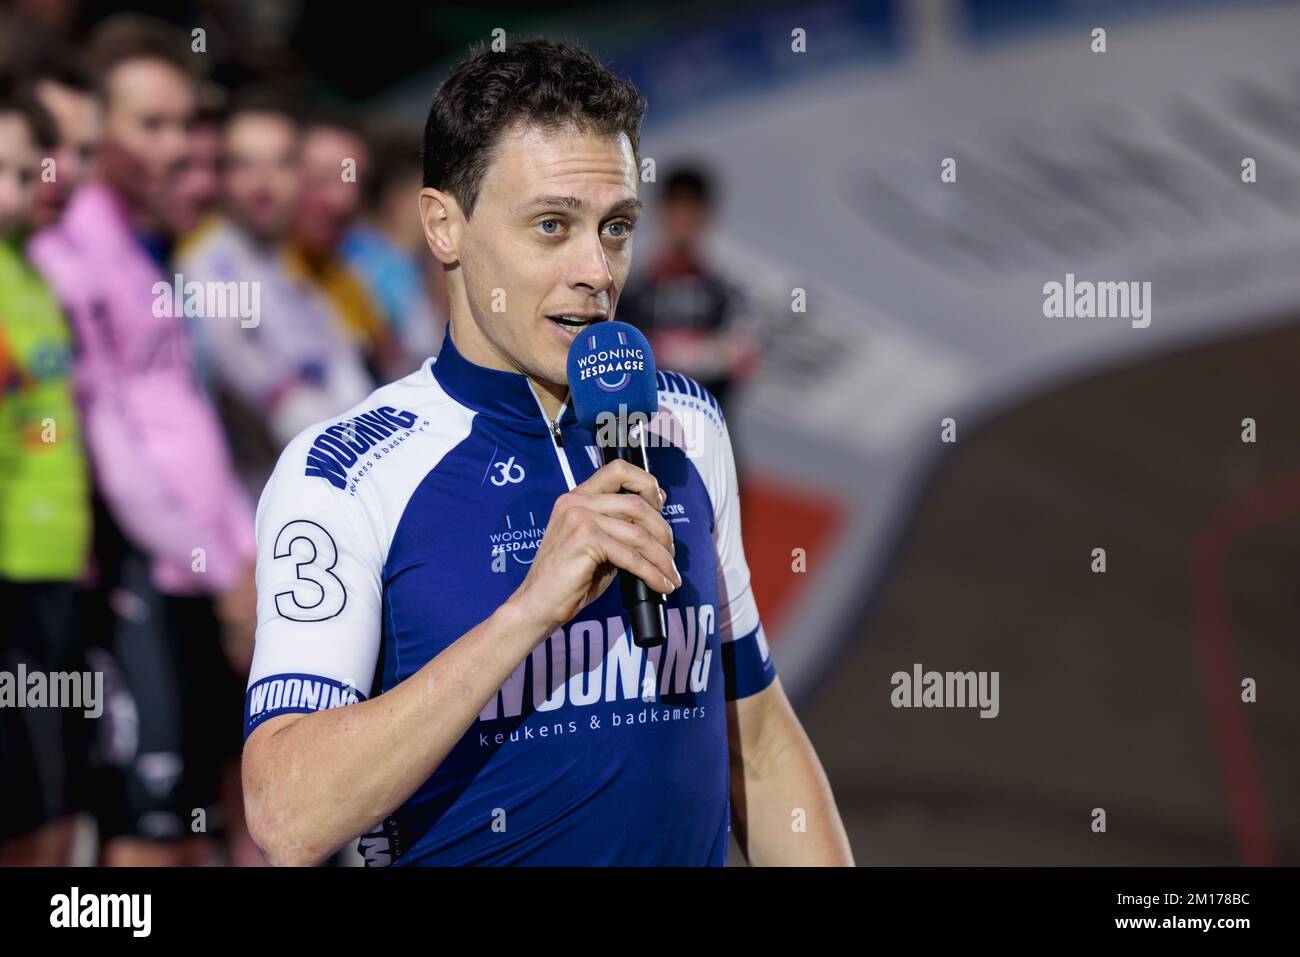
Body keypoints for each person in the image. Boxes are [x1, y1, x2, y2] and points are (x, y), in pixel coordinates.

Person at [241, 38, 853, 867]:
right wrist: (527, 612)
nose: (596, 270)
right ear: (443, 226)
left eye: (617, 227)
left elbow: (762, 744)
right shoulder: (343, 473)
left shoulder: (683, 426)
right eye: (552, 225)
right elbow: (288, 814)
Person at [28, 15, 254, 867]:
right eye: (148, 125)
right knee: (144, 834)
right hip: (135, 571)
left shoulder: (140, 243)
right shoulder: (66, 240)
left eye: (183, 124)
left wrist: (239, 551)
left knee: (204, 819)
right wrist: (216, 561)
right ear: (94, 122)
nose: (172, 147)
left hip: (193, 572)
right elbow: (115, 440)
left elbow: (187, 418)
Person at [176, 88, 373, 498]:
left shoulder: (297, 268)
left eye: (281, 163)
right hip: (258, 519)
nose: (263, 183)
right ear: (223, 175)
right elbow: (282, 410)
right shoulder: (206, 270)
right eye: (244, 164)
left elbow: (348, 381)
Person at [0, 72, 92, 867]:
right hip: (7, 577)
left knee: (50, 806)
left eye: (30, 171)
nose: (23, 188)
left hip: (53, 568)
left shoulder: (35, 278)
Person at [616, 165, 762, 419]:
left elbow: (743, 358)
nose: (683, 224)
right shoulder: (630, 292)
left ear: (707, 216)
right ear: (661, 213)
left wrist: (660, 351)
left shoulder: (727, 295)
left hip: (711, 440)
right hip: (644, 442)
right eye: (676, 212)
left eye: (692, 214)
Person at [288, 112, 401, 381]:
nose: (344, 200)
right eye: (323, 179)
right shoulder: (237, 273)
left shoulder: (351, 283)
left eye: (354, 181)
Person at [342, 126, 446, 374]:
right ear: (396, 196)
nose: (443, 209)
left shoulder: (414, 264)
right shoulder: (365, 261)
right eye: (432, 196)